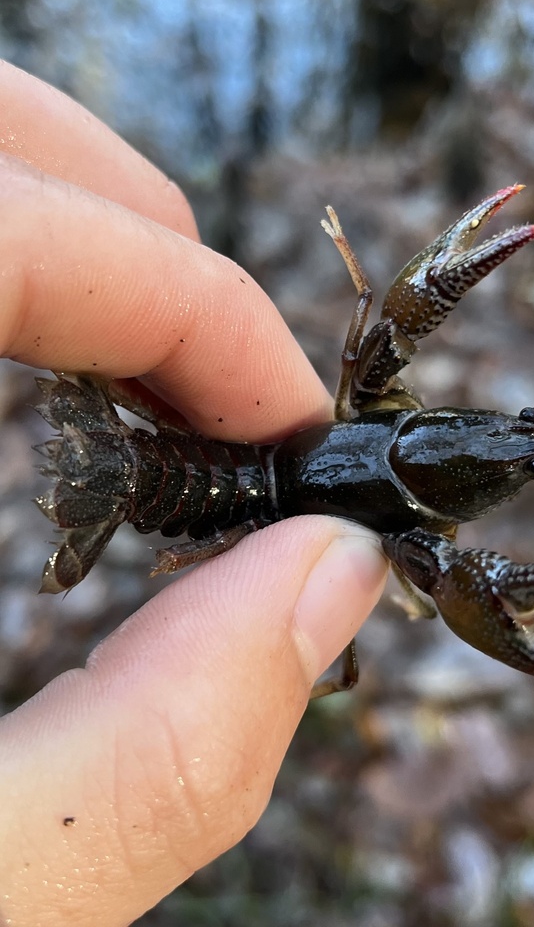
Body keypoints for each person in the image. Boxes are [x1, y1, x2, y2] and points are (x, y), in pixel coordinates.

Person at [0, 60, 389, 926]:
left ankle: (131, 479)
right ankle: (129, 481)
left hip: (222, 493)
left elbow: (373, 326)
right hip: (231, 494)